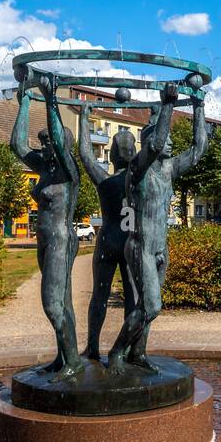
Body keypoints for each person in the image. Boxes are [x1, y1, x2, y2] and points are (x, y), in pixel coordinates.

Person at [107, 81, 208, 373]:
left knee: (147, 310)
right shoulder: (138, 170)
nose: (170, 142)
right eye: (165, 137)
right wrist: (167, 105)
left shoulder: (168, 169)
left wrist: (199, 107)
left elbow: (198, 148)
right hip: (140, 247)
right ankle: (116, 352)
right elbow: (155, 144)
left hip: (161, 248)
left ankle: (138, 353)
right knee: (152, 306)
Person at [11, 70, 84, 377]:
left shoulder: (68, 171)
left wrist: (51, 98)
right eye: (42, 143)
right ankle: (65, 357)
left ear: (61, 146)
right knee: (62, 302)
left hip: (60, 240)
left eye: (48, 142)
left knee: (53, 304)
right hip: (45, 239)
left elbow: (56, 136)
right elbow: (17, 146)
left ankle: (73, 361)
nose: (43, 146)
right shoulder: (44, 167)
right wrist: (25, 102)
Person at [75, 107, 137, 360]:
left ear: (112, 155)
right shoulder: (139, 181)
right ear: (133, 154)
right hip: (130, 241)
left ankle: (92, 346)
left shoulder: (104, 180)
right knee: (132, 296)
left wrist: (83, 117)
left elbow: (85, 154)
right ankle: (129, 349)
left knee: (99, 295)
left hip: (108, 240)